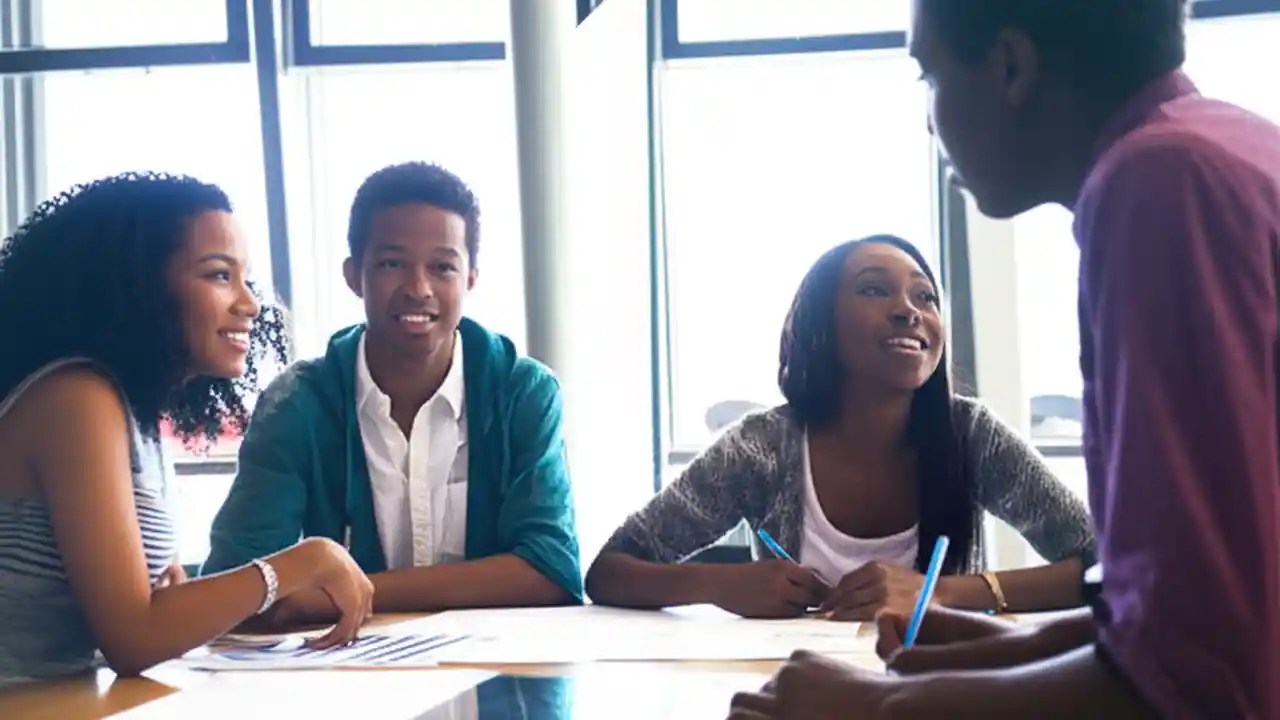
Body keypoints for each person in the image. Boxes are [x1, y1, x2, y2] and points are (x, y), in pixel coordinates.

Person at [729, 0, 1280, 717]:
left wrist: (872, 709)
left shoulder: (1158, 185)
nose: (930, 123)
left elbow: (1209, 681)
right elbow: (1199, 617)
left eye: (930, 77)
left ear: (1011, 67)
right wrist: (1007, 653)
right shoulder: (1227, 145)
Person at [588, 234, 1094, 621]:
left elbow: (1104, 566)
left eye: (925, 297)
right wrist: (719, 585)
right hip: (799, 694)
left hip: (938, 696)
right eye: (874, 289)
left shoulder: (972, 436)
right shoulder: (762, 447)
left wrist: (940, 593)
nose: (908, 311)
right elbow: (610, 570)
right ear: (820, 325)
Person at [0, 172, 373, 686]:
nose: (250, 304)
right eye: (220, 276)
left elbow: (154, 609)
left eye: (245, 278)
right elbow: (133, 638)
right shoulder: (77, 399)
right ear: (138, 287)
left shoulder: (132, 412)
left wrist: (172, 602)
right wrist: (303, 562)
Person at [203, 162, 583, 624]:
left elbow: (551, 570)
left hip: (494, 664)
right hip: (347, 662)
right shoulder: (297, 403)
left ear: (470, 278)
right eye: (392, 264)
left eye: (442, 267)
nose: (418, 289)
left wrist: (342, 592)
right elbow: (236, 581)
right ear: (353, 275)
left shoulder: (522, 392)